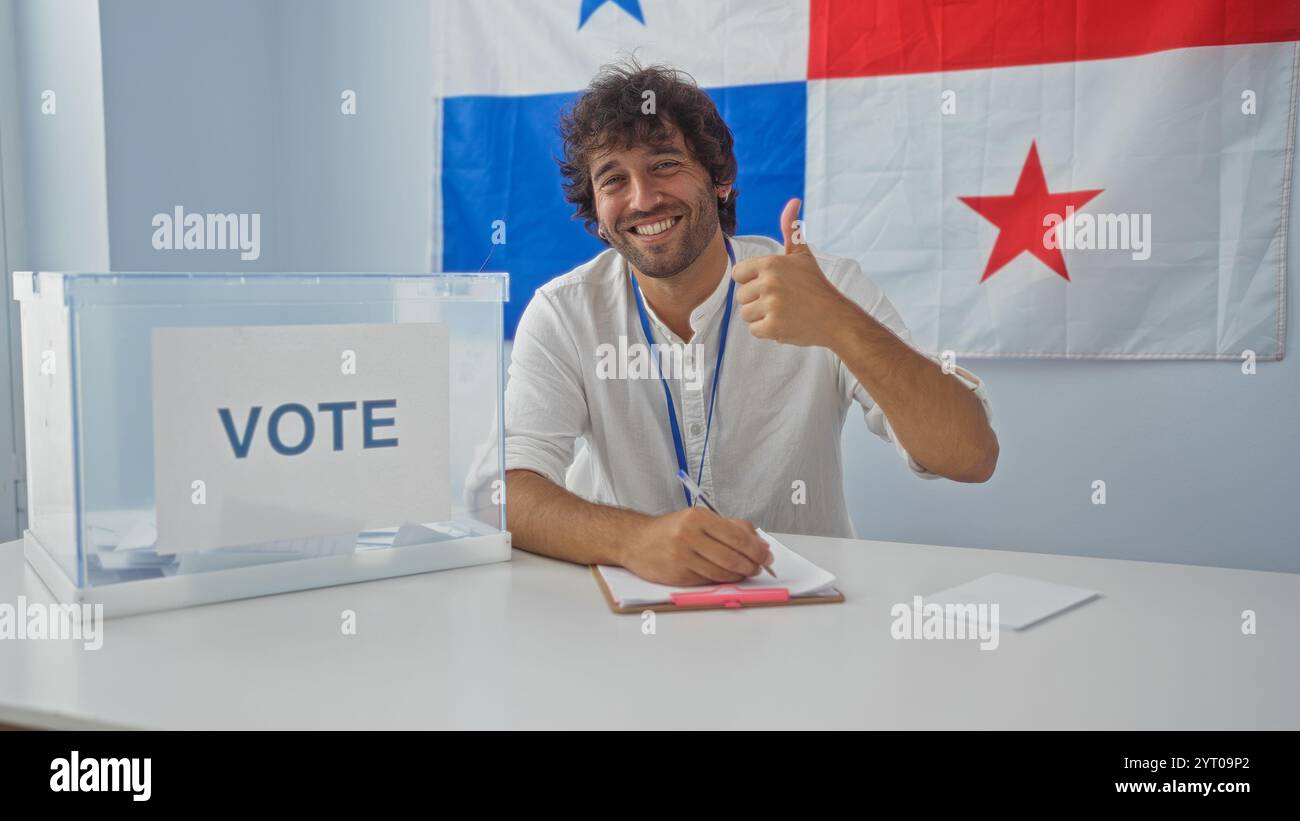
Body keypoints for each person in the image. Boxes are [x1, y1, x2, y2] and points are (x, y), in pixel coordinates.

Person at [503, 61, 997, 586]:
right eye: (614, 180)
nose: (643, 199)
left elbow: (969, 457)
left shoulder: (826, 288)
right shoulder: (564, 311)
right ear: (597, 212)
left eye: (666, 164)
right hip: (634, 614)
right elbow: (506, 491)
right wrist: (635, 540)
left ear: (720, 180)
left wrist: (839, 325)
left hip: (806, 622)